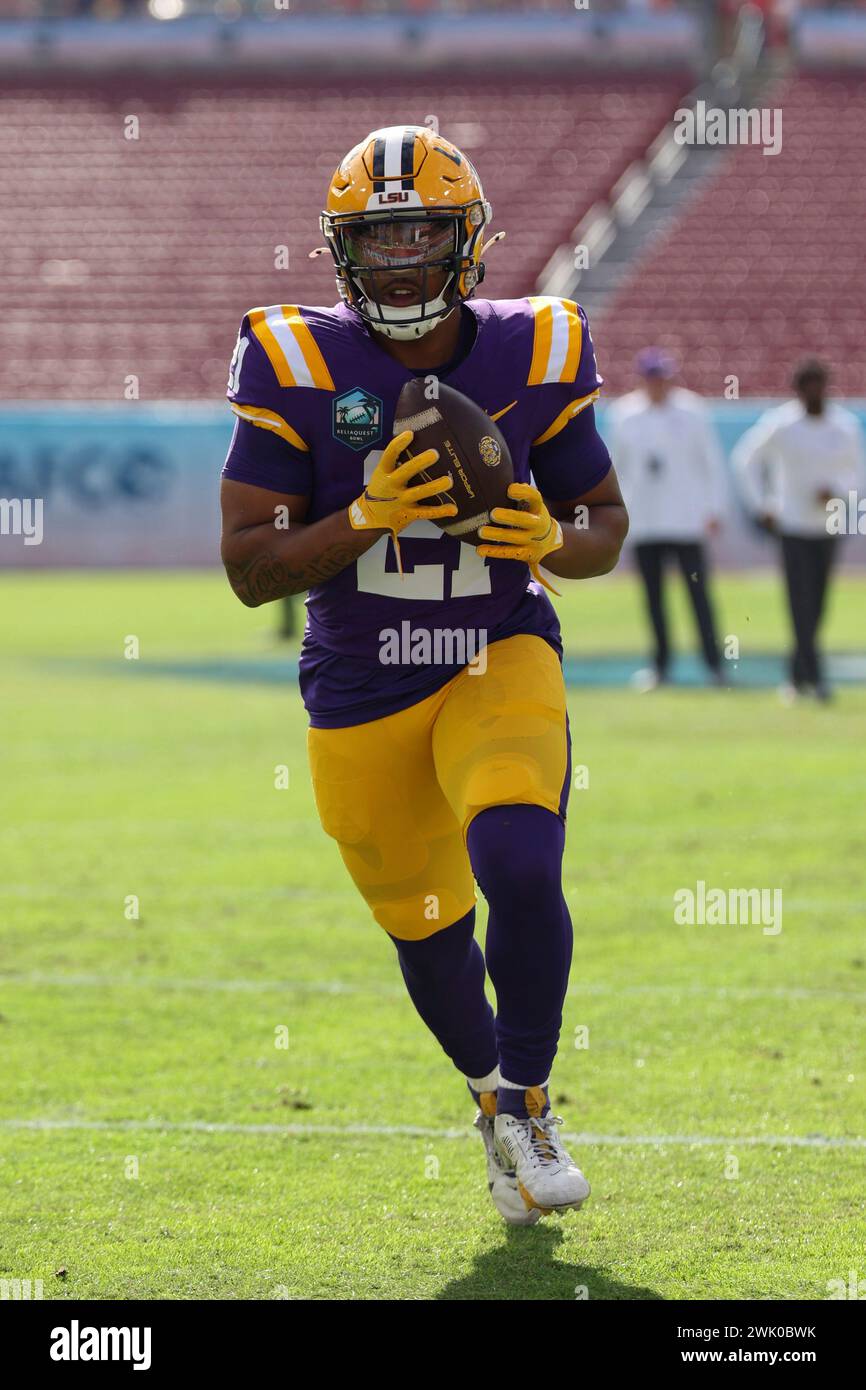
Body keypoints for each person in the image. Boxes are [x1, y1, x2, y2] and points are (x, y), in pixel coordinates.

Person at [219, 125, 628, 1223]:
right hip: (358, 683)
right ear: (341, 250)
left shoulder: (535, 344)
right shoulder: (292, 358)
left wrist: (550, 536)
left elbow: (604, 524)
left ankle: (532, 1099)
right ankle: (492, 1100)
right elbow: (250, 573)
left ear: (468, 236)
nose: (401, 256)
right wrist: (366, 517)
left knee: (518, 859)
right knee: (429, 928)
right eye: (378, 236)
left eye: (422, 230)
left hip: (495, 647)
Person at [733, 358, 864, 702]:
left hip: (828, 525)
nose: (814, 393)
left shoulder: (843, 426)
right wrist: (762, 506)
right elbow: (746, 459)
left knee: (817, 603)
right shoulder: (782, 424)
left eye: (818, 385)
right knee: (799, 601)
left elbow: (857, 472)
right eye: (807, 387)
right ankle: (816, 679)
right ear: (798, 390)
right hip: (792, 524)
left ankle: (796, 674)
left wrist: (836, 491)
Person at [608, 348, 727, 690]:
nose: (659, 385)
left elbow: (711, 462)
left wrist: (713, 509)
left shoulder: (692, 411)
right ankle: (661, 666)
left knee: (698, 595)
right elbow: (617, 467)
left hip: (687, 520)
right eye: (654, 378)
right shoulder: (625, 414)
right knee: (653, 598)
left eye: (663, 377)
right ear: (643, 379)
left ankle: (714, 665)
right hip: (645, 520)